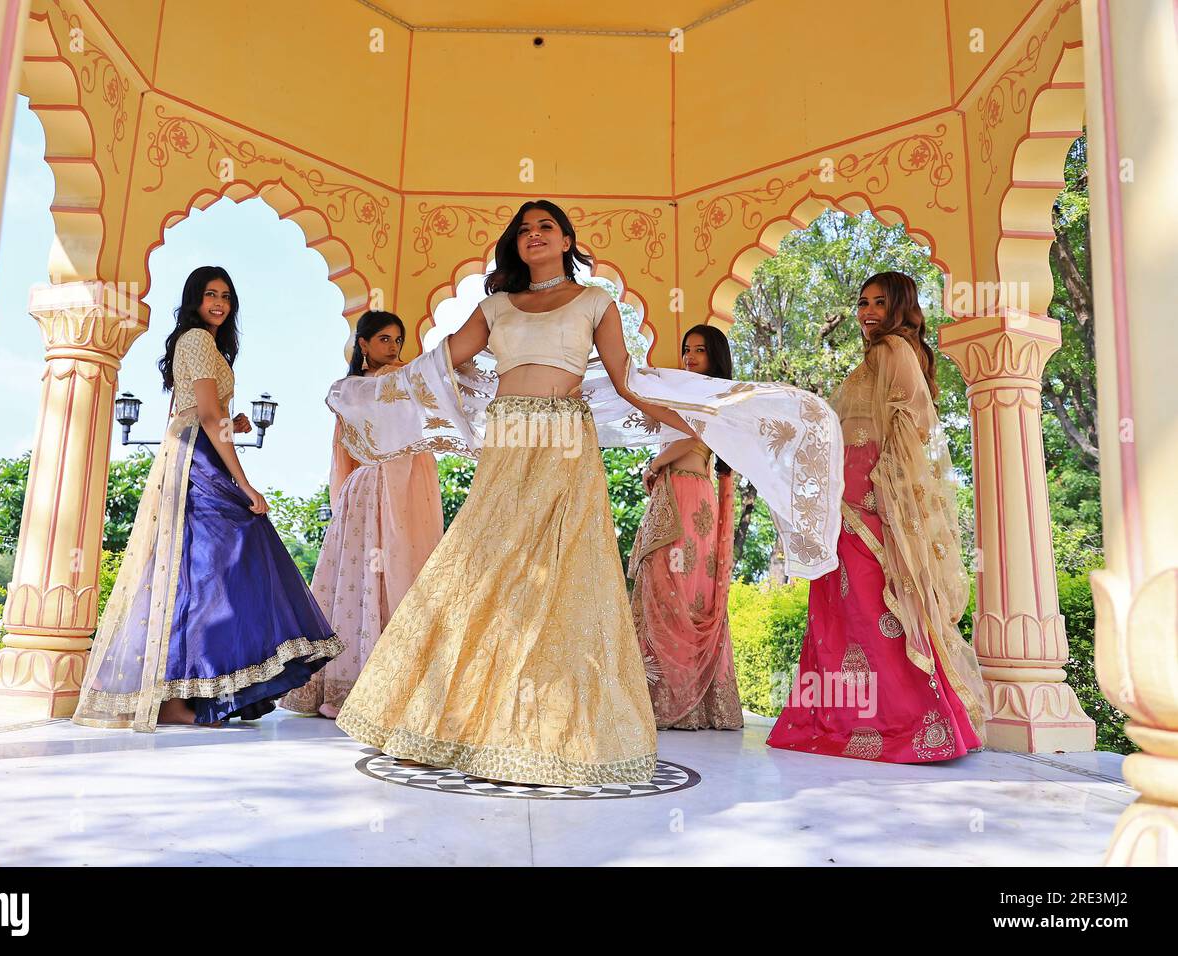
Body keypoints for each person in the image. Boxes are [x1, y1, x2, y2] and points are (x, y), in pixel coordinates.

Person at [331, 200, 844, 785]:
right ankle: (426, 718)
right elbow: (440, 363)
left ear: (568, 238)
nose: (533, 236)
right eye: (523, 230)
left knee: (564, 573)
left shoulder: (597, 301)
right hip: (509, 437)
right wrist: (371, 395)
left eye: (545, 226)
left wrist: (701, 422)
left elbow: (627, 381)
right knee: (479, 562)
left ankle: (555, 726)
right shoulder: (495, 306)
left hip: (567, 443)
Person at [72, 266, 343, 731]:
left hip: (199, 450)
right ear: (193, 300)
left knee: (206, 574)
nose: (219, 303)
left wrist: (231, 425)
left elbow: (207, 411)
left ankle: (200, 692)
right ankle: (181, 696)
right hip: (196, 462)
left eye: (226, 296)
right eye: (209, 294)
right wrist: (244, 483)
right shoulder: (196, 339)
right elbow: (208, 412)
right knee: (214, 569)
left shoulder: (209, 346)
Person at [766, 271, 988, 761]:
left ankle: (909, 727)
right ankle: (854, 724)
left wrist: (884, 493)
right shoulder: (874, 356)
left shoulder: (893, 351)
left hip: (866, 504)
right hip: (844, 501)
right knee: (843, 608)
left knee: (874, 607)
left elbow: (916, 423)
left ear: (900, 307)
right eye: (863, 302)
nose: (867, 311)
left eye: (879, 303)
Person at [279, 311, 443, 719]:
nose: (393, 347)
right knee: (359, 582)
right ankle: (346, 688)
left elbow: (429, 431)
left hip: (406, 491)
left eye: (398, 340)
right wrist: (344, 503)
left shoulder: (409, 384)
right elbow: (343, 452)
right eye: (383, 339)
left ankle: (397, 688)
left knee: (401, 577)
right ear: (363, 345)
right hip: (368, 491)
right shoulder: (350, 390)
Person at [630, 325, 744, 730]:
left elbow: (692, 434)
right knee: (667, 588)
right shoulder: (689, 393)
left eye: (699, 350)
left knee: (680, 591)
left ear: (715, 356)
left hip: (687, 495)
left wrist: (656, 464)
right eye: (685, 350)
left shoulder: (708, 397)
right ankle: (675, 697)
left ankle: (676, 701)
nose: (690, 357)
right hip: (685, 494)